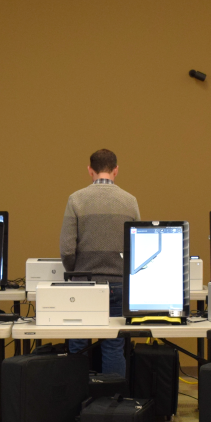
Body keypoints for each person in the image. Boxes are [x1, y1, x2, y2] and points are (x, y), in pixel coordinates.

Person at [61, 149, 140, 376]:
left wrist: (76, 271)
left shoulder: (76, 199)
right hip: (119, 283)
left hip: (83, 284)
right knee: (114, 346)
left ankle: (78, 394)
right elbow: (136, 247)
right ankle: (112, 396)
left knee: (78, 344)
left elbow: (67, 249)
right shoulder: (130, 201)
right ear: (116, 170)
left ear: (90, 170)